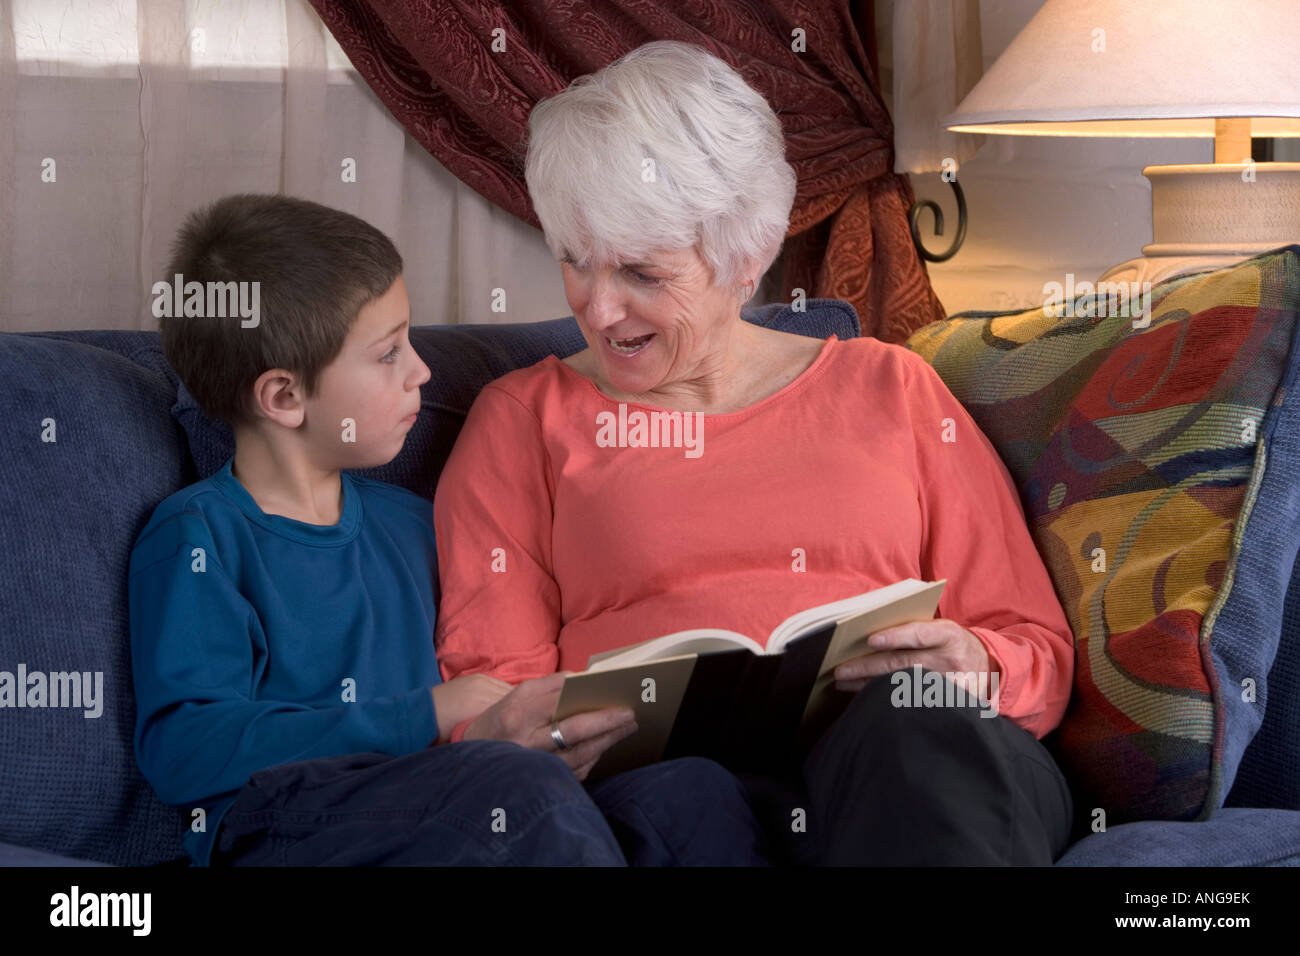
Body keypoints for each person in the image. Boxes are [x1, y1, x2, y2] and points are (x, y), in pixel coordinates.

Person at [433, 40, 1077, 865]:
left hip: (904, 763)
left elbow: (1032, 642)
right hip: (668, 784)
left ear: (743, 258)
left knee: (915, 727)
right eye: (573, 259)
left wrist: (977, 663)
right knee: (681, 805)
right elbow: (494, 694)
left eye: (639, 270)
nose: (597, 306)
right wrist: (522, 730)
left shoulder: (893, 388)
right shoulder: (520, 421)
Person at [128, 193, 768, 866]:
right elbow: (187, 751)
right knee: (518, 791)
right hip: (286, 824)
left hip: (449, 797)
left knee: (689, 793)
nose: (422, 372)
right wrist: (427, 714)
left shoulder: (412, 523)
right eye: (387, 354)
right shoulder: (199, 538)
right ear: (285, 398)